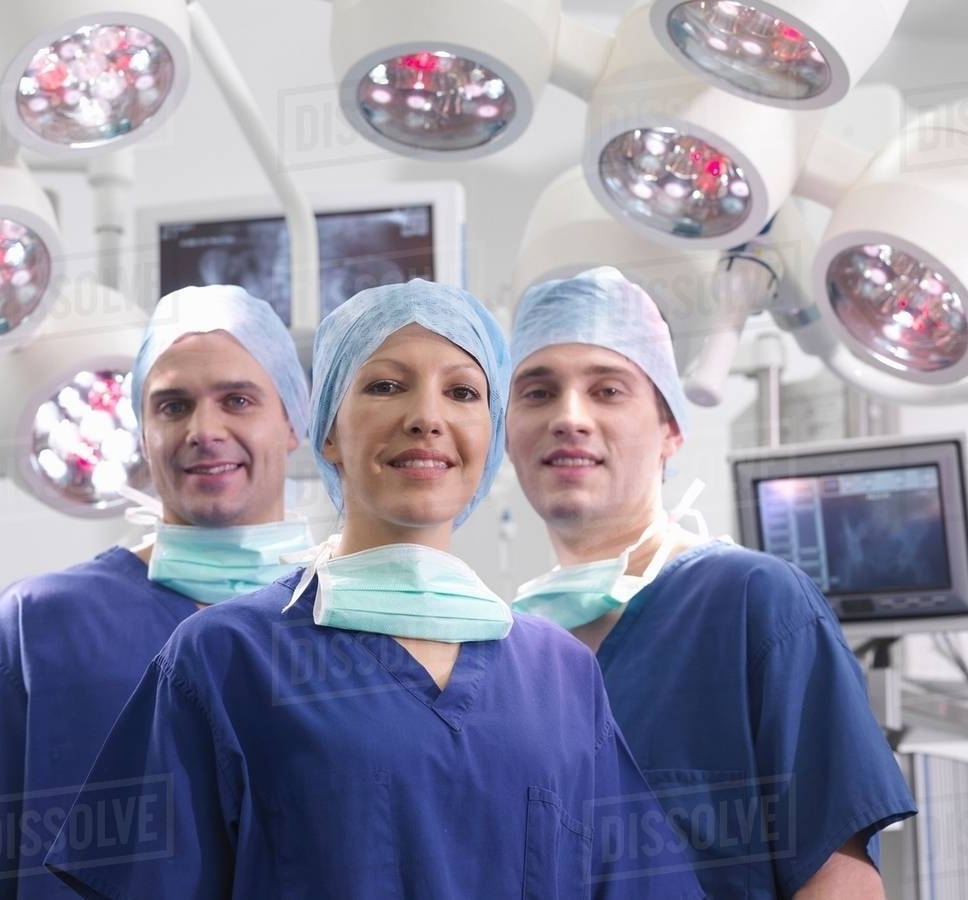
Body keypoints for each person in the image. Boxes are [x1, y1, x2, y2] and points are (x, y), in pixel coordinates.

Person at [43, 279, 705, 899]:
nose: (427, 417)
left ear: (492, 433)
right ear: (327, 430)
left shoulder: (560, 673)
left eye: (464, 393)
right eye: (386, 386)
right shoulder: (223, 658)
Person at [0, 285, 313, 899]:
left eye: (238, 400)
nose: (204, 429)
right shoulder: (38, 628)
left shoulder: (344, 628)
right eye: (172, 406)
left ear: (294, 421)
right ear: (142, 431)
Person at [505, 266, 917, 899]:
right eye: (537, 392)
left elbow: (842, 882)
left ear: (671, 430)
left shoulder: (752, 603)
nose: (570, 417)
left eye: (608, 390)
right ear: (506, 433)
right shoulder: (503, 653)